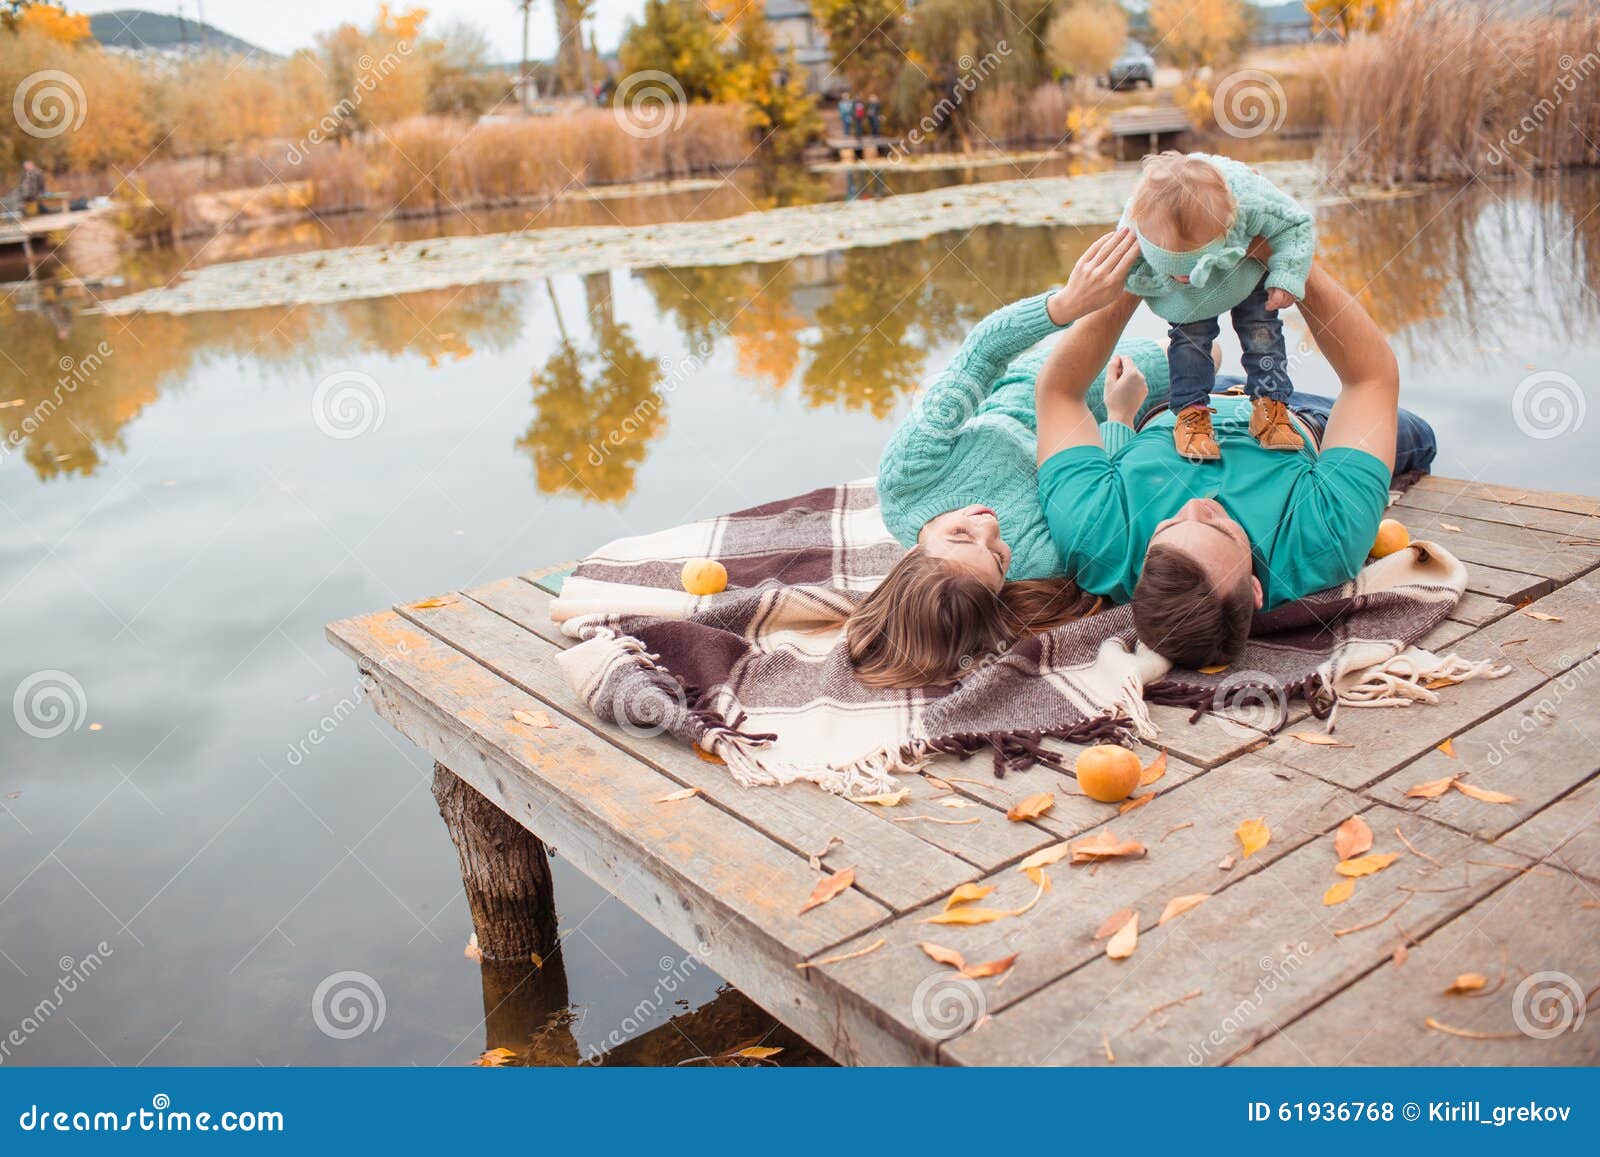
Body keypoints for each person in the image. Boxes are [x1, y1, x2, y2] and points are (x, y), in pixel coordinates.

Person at [1033, 242, 1437, 670]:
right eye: (1220, 528)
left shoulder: (1096, 540)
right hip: (1298, 417)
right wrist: (1292, 264)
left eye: (1167, 525)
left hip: (1181, 405)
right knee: (1418, 434)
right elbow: (1369, 378)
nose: (1195, 506)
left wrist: (1141, 272)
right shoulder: (1324, 542)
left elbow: (1059, 391)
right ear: (1255, 590)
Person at [848, 229, 1159, 688]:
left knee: (1173, 333)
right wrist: (1120, 416)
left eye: (959, 534)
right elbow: (1104, 493)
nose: (988, 526)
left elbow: (983, 352)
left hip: (1037, 385)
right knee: (1205, 361)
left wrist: (1067, 304)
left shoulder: (907, 479)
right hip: (1097, 428)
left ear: (913, 551)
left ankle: (1156, 230)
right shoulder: (1035, 564)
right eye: (996, 558)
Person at [1121, 151, 1315, 462]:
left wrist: (1286, 274)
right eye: (1175, 265)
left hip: (1243, 263)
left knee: (1261, 330)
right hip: (1186, 298)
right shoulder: (1137, 216)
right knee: (1190, 341)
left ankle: (1270, 405)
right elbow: (1123, 261)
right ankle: (1191, 414)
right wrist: (1156, 279)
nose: (1185, 276)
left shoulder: (1251, 201)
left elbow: (1297, 225)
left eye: (1189, 266)